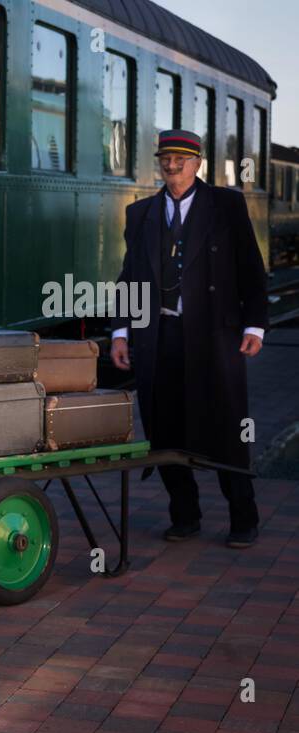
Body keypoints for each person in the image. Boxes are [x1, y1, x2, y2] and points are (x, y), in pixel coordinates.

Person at [110, 129, 267, 548]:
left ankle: (243, 518)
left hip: (216, 337)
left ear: (198, 164)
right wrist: (122, 331)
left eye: (182, 159)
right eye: (166, 158)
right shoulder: (140, 213)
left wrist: (255, 325)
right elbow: (130, 279)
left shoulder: (226, 205)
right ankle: (184, 515)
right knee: (164, 429)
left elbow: (251, 268)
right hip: (158, 335)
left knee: (228, 430)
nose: (172, 165)